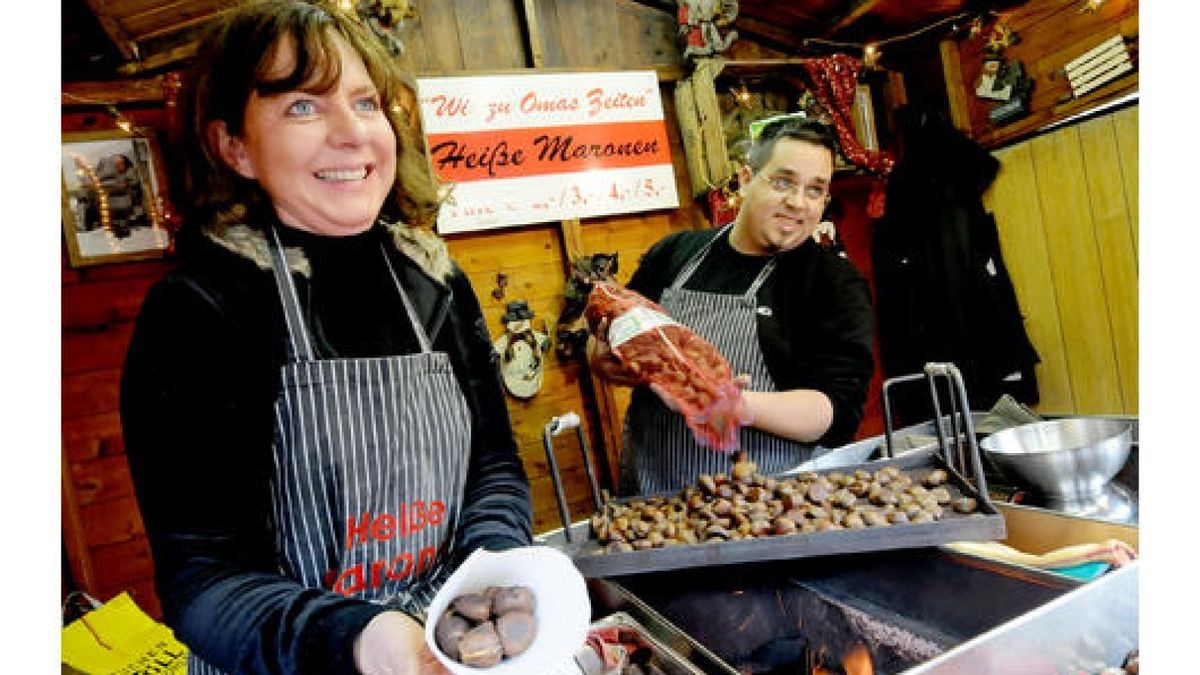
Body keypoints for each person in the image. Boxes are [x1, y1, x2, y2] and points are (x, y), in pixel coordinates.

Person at [119, 2, 533, 674]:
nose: (352, 134)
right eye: (303, 107)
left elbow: (493, 463)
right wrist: (358, 640)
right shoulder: (199, 309)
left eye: (366, 103)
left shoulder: (434, 280)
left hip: (448, 647)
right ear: (234, 146)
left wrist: (485, 572)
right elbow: (205, 580)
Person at [589, 115, 875, 496]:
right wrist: (601, 359)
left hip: (769, 505)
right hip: (653, 500)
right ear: (745, 179)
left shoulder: (833, 283)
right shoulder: (674, 254)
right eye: (783, 182)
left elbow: (837, 413)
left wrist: (737, 406)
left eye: (815, 190)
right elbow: (615, 332)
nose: (797, 203)